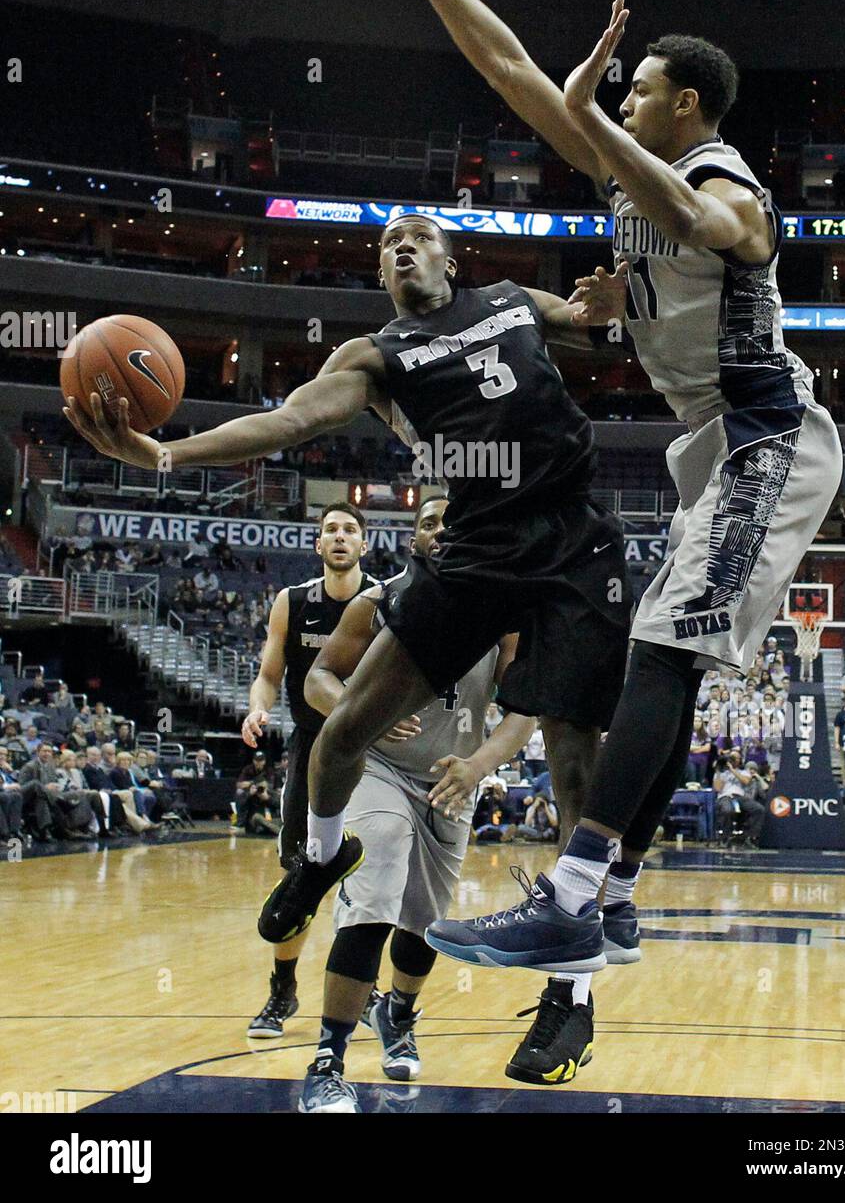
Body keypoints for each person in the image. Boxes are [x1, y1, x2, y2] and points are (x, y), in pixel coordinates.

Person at [351, 0, 839, 1028]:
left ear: (684, 108)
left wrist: (609, 142)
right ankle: (610, 901)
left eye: (639, 90)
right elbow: (507, 67)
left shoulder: (730, 183)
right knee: (648, 667)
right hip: (713, 448)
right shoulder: (636, 162)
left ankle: (576, 891)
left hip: (770, 433)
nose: (621, 96)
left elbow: (711, 230)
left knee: (663, 653)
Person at [64, 161, 634, 1081]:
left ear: (449, 258)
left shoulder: (509, 299)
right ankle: (317, 863)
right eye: (383, 247)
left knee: (575, 760)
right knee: (339, 735)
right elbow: (285, 422)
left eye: (413, 237)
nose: (398, 247)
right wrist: (167, 454)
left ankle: (570, 1003)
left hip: (573, 538)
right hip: (473, 549)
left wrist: (603, 303)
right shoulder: (373, 358)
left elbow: (593, 325)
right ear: (382, 278)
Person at [296, 496, 534, 1111]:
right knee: (372, 897)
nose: (442, 530)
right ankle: (328, 1059)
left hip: (454, 779)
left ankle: (397, 1013)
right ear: (412, 538)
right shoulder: (374, 604)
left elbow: (523, 712)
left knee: (423, 922)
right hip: (380, 769)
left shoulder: (503, 615)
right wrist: (355, 708)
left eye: (452, 520)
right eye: (429, 522)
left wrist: (480, 764)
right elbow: (316, 677)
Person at [242, 502, 380, 1038]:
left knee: (372, 877)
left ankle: (362, 991)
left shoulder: (383, 600)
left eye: (350, 529)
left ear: (364, 545)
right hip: (311, 746)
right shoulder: (291, 602)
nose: (340, 536)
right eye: (330, 530)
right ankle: (282, 990)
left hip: (371, 748)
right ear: (318, 545)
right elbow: (269, 674)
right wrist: (258, 706)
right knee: (300, 874)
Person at [713, 752, 765, 847]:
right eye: (731, 758)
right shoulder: (721, 773)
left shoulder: (744, 772)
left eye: (735, 758)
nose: (732, 760)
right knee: (727, 810)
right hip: (725, 796)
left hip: (740, 796)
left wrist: (732, 770)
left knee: (759, 809)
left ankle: (749, 837)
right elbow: (718, 789)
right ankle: (725, 837)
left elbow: (745, 781)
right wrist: (718, 771)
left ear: (740, 760)